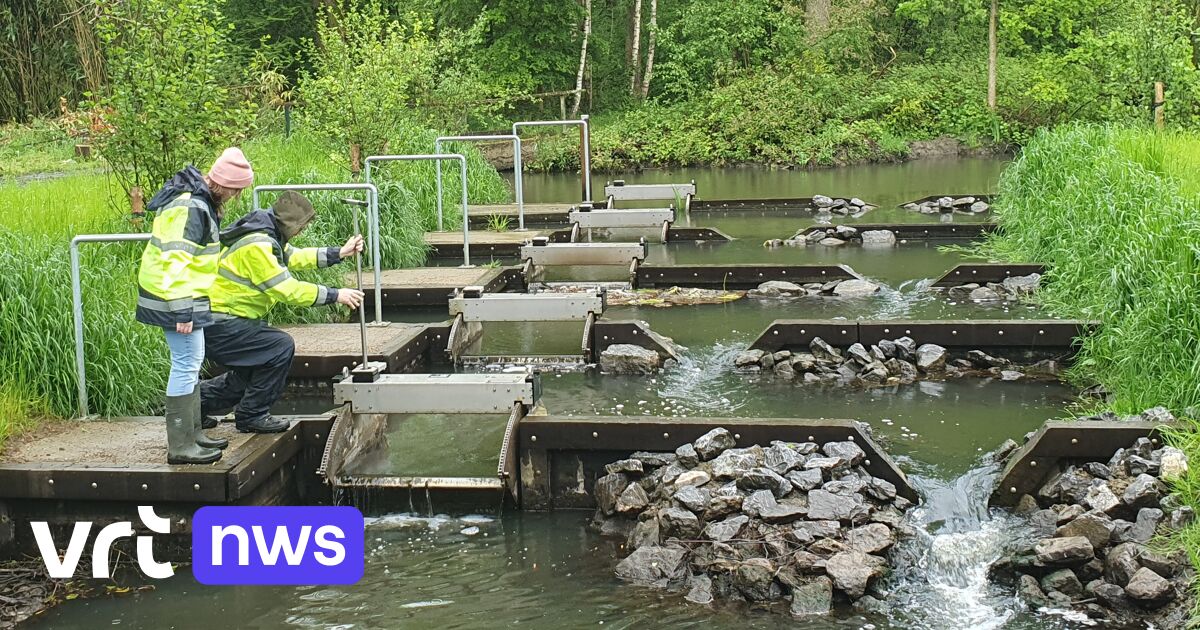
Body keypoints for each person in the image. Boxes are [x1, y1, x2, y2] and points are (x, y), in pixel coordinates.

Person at [200, 191, 365, 433]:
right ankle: (251, 415)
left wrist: (338, 253)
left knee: (248, 373)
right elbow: (287, 290)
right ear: (290, 224)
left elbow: (295, 257)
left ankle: (196, 403)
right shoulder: (258, 246)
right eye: (301, 227)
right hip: (220, 322)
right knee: (279, 346)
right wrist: (335, 294)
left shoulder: (265, 234)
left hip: (224, 319)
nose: (302, 232)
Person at [136, 148, 254, 465]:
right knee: (186, 363)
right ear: (223, 182)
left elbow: (199, 247)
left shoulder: (199, 200)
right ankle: (181, 445)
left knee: (193, 359)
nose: (237, 195)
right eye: (237, 189)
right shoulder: (192, 206)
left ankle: (194, 433)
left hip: (185, 295)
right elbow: (176, 259)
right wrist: (182, 308)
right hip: (175, 297)